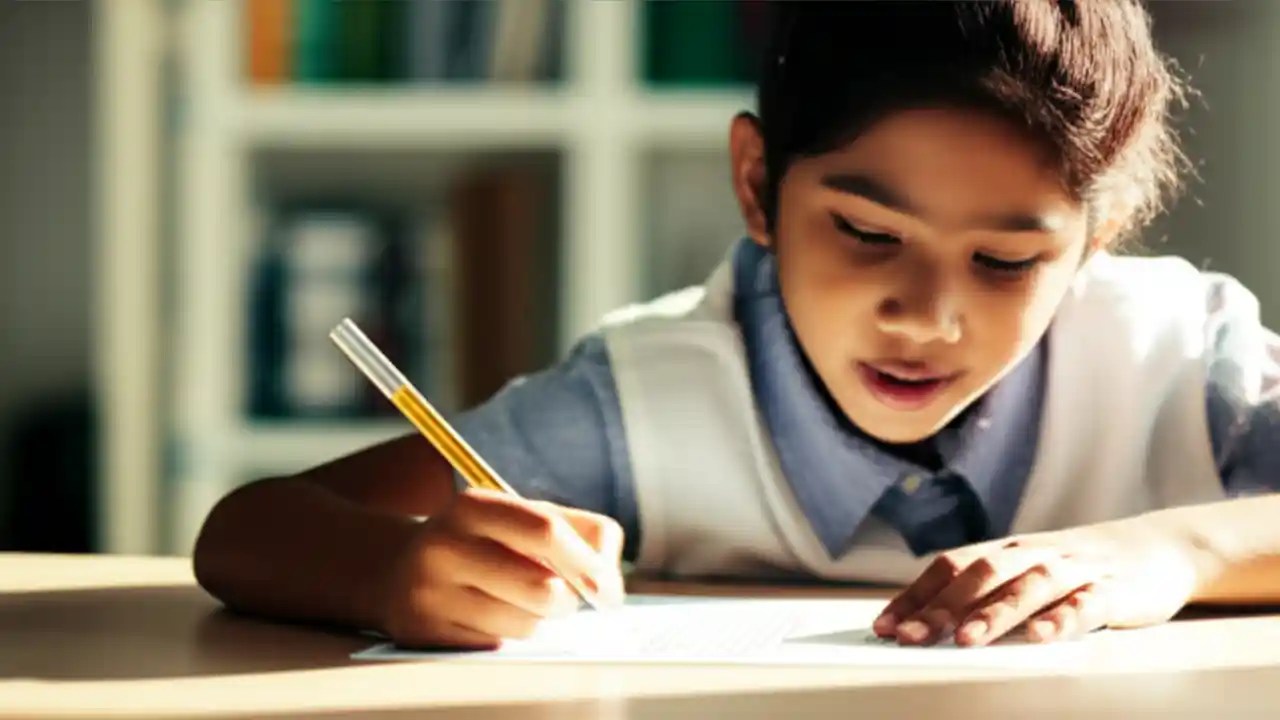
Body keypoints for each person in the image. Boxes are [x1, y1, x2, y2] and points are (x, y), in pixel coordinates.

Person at [194, 2, 1280, 650]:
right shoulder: (645, 401)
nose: (927, 315)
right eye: (864, 232)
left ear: (1097, 241)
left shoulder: (1178, 358)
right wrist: (396, 575)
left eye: (1005, 260)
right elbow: (246, 531)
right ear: (756, 187)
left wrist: (1171, 549)